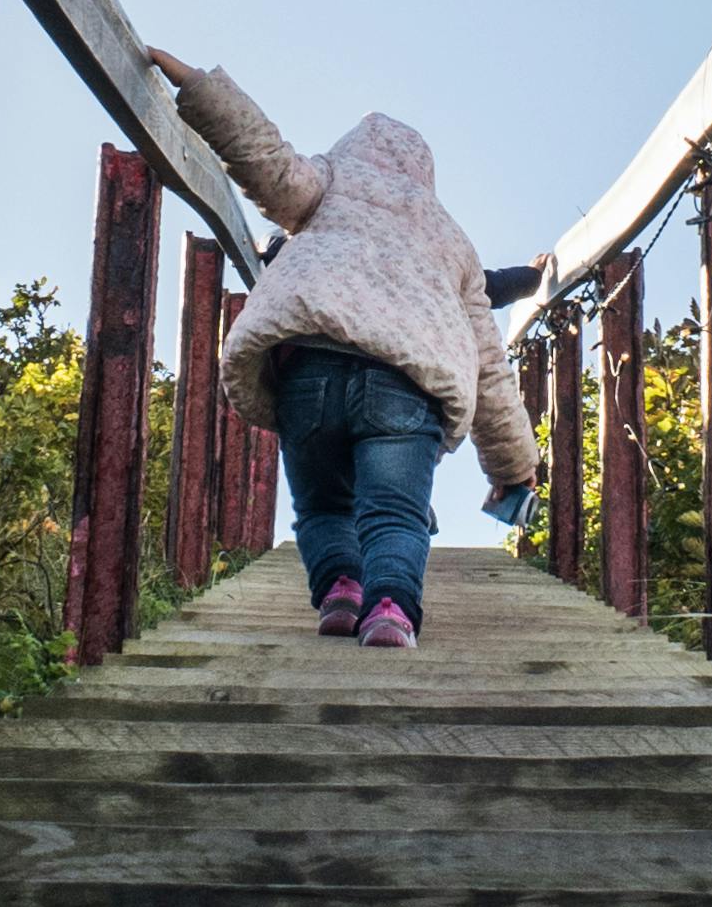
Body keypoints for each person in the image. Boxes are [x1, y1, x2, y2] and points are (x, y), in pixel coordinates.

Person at [143, 47, 539, 648]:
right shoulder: (452, 242)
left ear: (353, 149)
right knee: (396, 513)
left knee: (324, 508)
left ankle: (339, 592)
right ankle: (389, 610)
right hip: (407, 386)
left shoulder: (330, 183)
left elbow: (265, 162)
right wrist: (514, 470)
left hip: (310, 370)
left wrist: (198, 87)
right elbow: (489, 370)